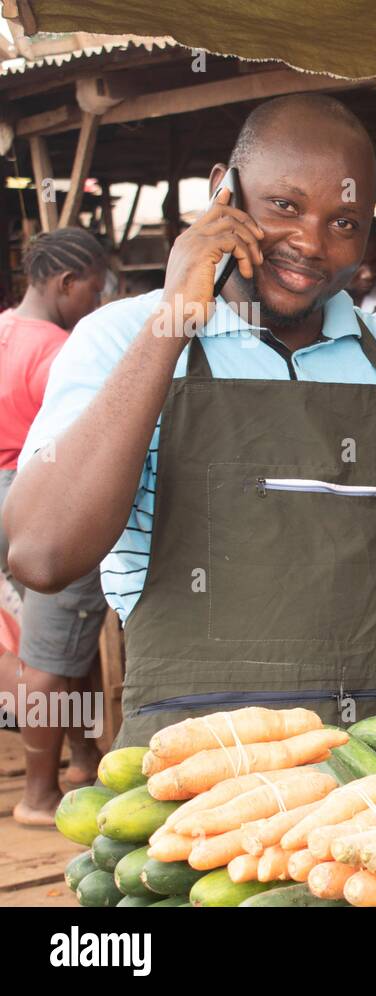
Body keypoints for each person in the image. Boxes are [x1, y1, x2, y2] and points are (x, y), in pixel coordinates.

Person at [3, 94, 376, 748]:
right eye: (284, 206)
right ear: (223, 194)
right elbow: (41, 556)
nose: (309, 244)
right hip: (187, 773)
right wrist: (172, 322)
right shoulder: (118, 338)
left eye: (344, 221)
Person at [0, 228, 109, 824]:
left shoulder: (3, 330)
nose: (97, 301)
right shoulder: (61, 350)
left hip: (5, 503)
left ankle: (82, 757)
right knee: (47, 654)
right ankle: (37, 796)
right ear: (67, 283)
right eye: (94, 288)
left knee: (69, 636)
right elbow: (78, 443)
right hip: (44, 506)